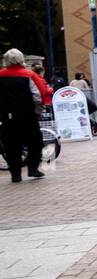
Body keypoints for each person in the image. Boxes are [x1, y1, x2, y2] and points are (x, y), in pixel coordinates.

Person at [0, 49, 46, 181]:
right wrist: (38, 110)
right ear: (21, 60)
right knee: (35, 142)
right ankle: (33, 168)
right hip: (27, 114)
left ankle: (15, 173)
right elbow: (38, 94)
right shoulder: (29, 75)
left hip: (7, 115)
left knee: (10, 144)